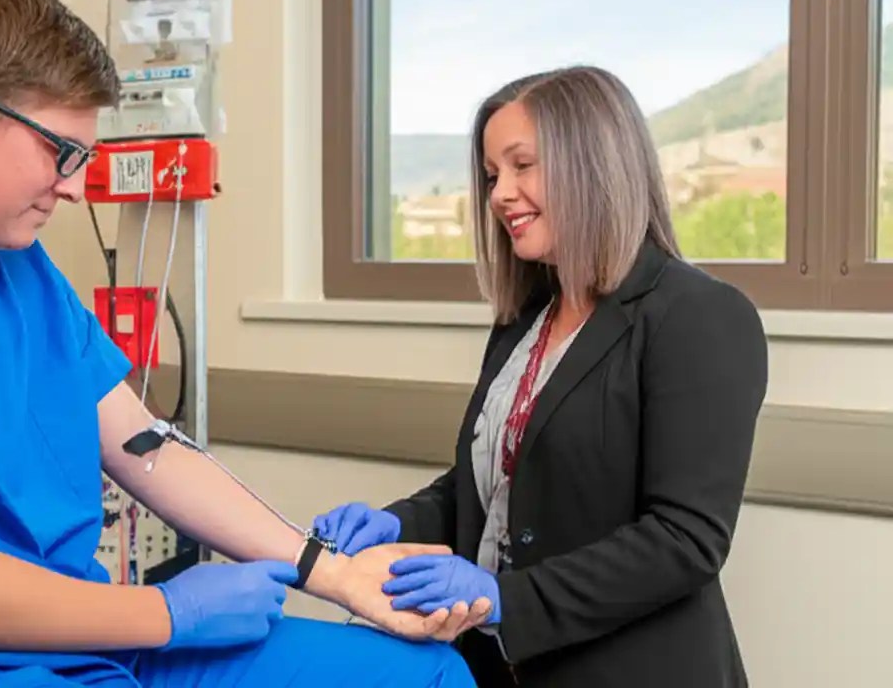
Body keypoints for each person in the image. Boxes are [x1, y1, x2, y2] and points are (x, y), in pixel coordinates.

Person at [0, 0, 488, 688]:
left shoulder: (18, 270)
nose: (76, 186)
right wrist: (168, 615)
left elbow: (144, 445)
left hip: (76, 634)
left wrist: (335, 574)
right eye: (61, 151)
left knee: (425, 676)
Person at [313, 66, 768, 687]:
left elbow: (684, 540)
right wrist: (397, 522)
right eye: (493, 175)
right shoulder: (528, 319)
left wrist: (507, 599)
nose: (500, 194)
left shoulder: (699, 316)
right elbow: (499, 485)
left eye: (522, 166)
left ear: (593, 162)